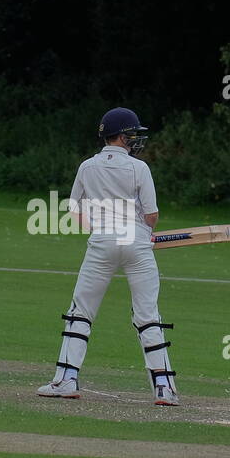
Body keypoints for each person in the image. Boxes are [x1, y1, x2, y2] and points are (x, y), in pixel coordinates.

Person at [37, 107, 176, 406]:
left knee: (81, 312)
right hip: (138, 244)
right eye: (133, 134)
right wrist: (141, 233)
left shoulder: (87, 167)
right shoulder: (140, 169)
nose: (136, 139)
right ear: (122, 136)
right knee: (147, 315)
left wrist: (100, 229)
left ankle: (66, 380)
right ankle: (164, 386)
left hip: (101, 244)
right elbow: (151, 215)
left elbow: (74, 209)